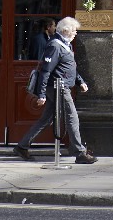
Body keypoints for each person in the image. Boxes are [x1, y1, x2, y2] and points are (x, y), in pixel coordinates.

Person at [14, 15, 95, 163]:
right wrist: (42, 94)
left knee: (46, 118)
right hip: (59, 87)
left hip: (60, 86)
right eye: (74, 30)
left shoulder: (65, 45)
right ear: (66, 30)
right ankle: (79, 153)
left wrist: (80, 81)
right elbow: (46, 71)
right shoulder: (55, 45)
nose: (76, 33)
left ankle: (22, 146)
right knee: (72, 117)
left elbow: (68, 67)